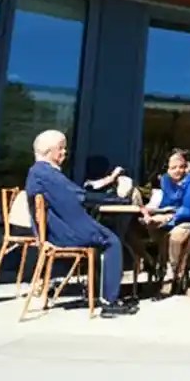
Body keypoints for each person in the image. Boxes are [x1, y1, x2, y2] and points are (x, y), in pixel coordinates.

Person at [24, 129, 137, 318]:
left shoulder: (39, 172)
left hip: (53, 231)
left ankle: (98, 292)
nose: (64, 153)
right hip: (62, 233)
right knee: (111, 240)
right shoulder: (46, 173)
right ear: (48, 151)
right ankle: (109, 301)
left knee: (105, 237)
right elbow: (80, 197)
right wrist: (120, 200)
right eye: (60, 148)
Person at [141, 149, 190, 295]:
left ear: (187, 166)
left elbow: (189, 211)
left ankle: (171, 276)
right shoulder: (165, 181)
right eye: (173, 168)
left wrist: (167, 219)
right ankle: (158, 265)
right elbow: (165, 204)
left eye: (181, 166)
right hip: (172, 220)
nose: (178, 170)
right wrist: (152, 213)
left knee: (176, 235)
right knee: (145, 228)